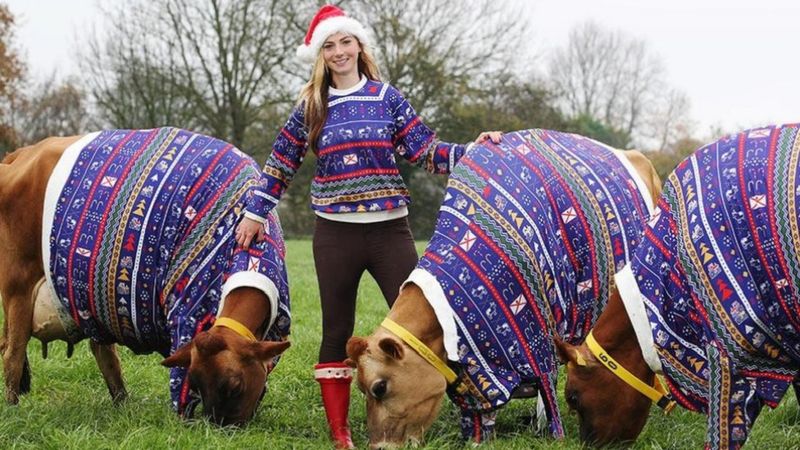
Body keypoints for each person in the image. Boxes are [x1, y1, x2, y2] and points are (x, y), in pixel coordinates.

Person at [235, 4, 501, 448]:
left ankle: (474, 414)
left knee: (431, 322)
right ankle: (341, 434)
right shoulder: (312, 106)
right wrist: (255, 212)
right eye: (329, 46)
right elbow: (280, 163)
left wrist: (473, 150)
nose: (339, 52)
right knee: (336, 330)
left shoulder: (386, 97)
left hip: (390, 231)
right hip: (335, 234)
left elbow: (426, 151)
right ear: (320, 55)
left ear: (359, 45)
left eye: (345, 41)